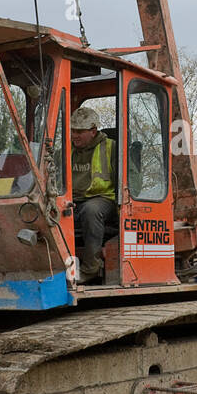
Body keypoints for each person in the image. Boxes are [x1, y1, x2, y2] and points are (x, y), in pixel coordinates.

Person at [70, 106, 116, 283]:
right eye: (73, 130)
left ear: (93, 130)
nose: (75, 135)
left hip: (105, 199)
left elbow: (131, 178)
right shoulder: (68, 149)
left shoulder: (111, 148)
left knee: (91, 211)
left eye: (79, 131)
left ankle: (91, 267)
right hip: (73, 200)